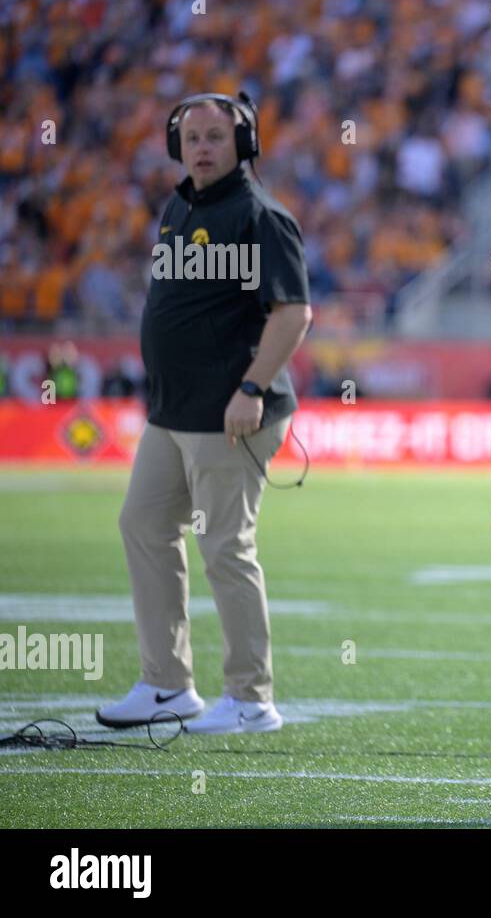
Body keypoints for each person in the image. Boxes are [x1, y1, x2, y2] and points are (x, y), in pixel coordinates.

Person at [96, 93, 312, 735]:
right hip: (172, 414)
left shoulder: (261, 215)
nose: (202, 148)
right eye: (192, 137)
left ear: (242, 144)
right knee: (142, 524)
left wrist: (251, 387)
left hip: (231, 411)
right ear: (175, 144)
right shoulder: (179, 204)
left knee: (225, 548)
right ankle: (166, 684)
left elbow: (293, 312)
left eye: (216, 137)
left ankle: (251, 699)